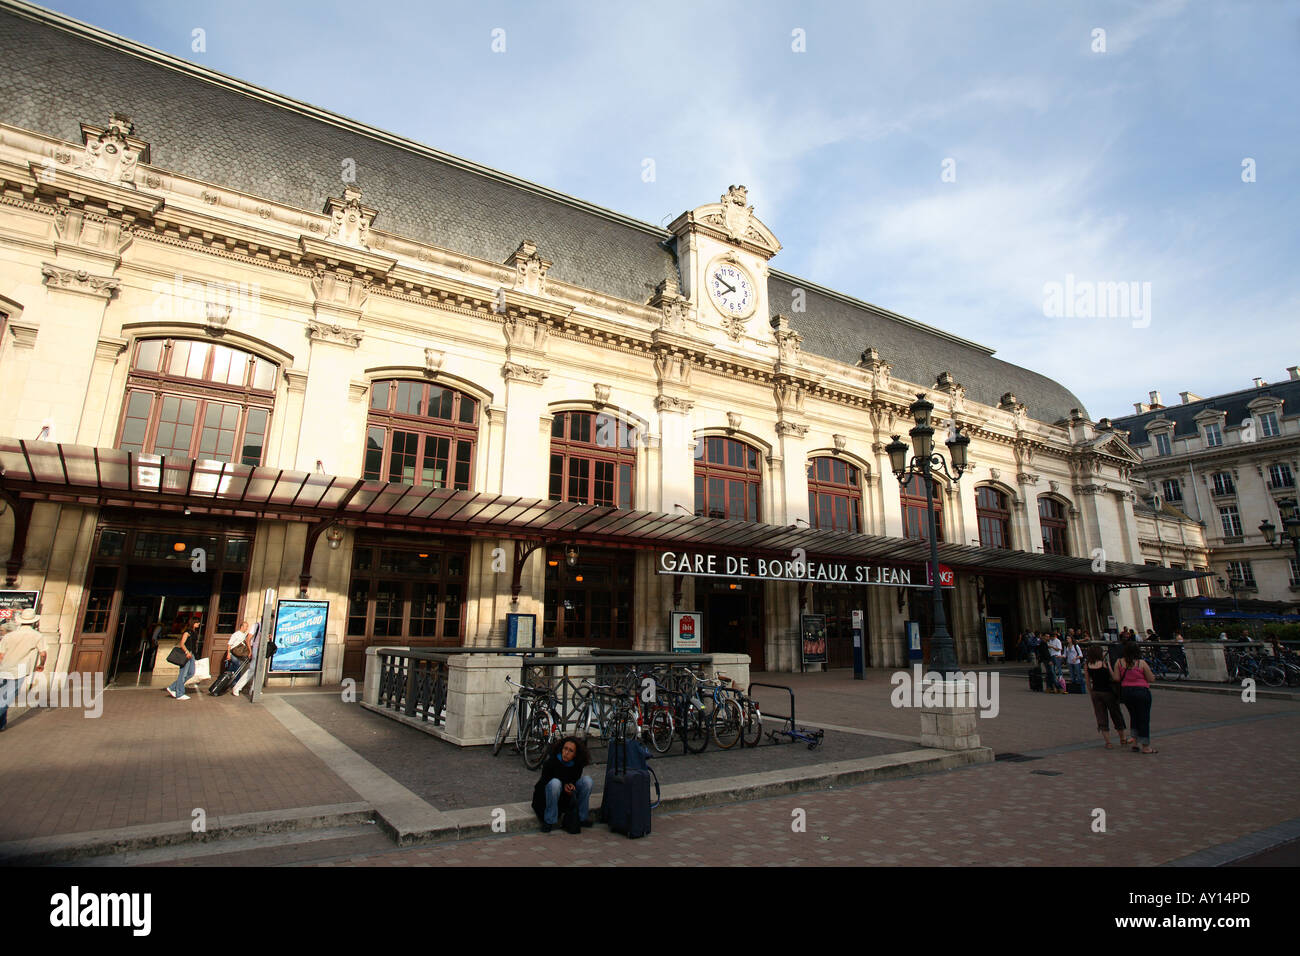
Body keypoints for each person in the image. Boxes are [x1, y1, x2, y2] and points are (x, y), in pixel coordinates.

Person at [531, 736, 593, 833]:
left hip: (566, 796)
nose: (566, 753)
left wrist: (571, 786)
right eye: (565, 749)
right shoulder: (552, 762)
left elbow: (574, 779)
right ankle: (549, 821)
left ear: (575, 754)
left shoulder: (577, 764)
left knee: (588, 781)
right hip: (548, 795)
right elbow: (544, 782)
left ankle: (581, 817)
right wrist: (564, 785)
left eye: (571, 751)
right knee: (555, 783)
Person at [0, 608, 48, 732]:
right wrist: (41, 664)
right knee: (7, 698)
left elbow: (1, 655)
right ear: (33, 622)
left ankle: (1, 724)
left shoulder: (9, 635)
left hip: (4, 668)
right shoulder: (37, 636)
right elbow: (43, 653)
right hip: (19, 670)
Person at [1084, 644, 1131, 748]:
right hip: (1108, 692)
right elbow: (1114, 677)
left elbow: (1087, 681)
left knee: (1101, 716)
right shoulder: (1104, 663)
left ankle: (1108, 742)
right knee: (1116, 714)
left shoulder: (1087, 664)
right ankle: (1122, 738)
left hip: (1096, 692)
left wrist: (1091, 692)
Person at [1116, 641, 1157, 754]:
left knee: (1134, 716)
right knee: (1143, 718)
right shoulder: (1141, 663)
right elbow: (1151, 679)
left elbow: (1116, 678)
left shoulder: (1119, 662)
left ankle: (1134, 742)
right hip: (1141, 692)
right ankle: (1145, 746)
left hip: (1126, 692)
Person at [167, 624, 196, 701]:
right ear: (194, 623)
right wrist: (187, 652)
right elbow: (182, 643)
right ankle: (179, 693)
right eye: (197, 623)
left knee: (191, 673)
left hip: (192, 654)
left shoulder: (194, 632)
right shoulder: (187, 632)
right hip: (186, 654)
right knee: (183, 674)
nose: (199, 624)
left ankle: (172, 687)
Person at [225, 620, 250, 697]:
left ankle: (227, 682)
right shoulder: (236, 634)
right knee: (238, 666)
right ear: (242, 626)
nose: (247, 628)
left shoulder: (244, 635)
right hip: (233, 653)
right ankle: (235, 683)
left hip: (239, 654)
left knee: (232, 668)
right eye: (246, 626)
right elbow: (229, 644)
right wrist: (228, 654)